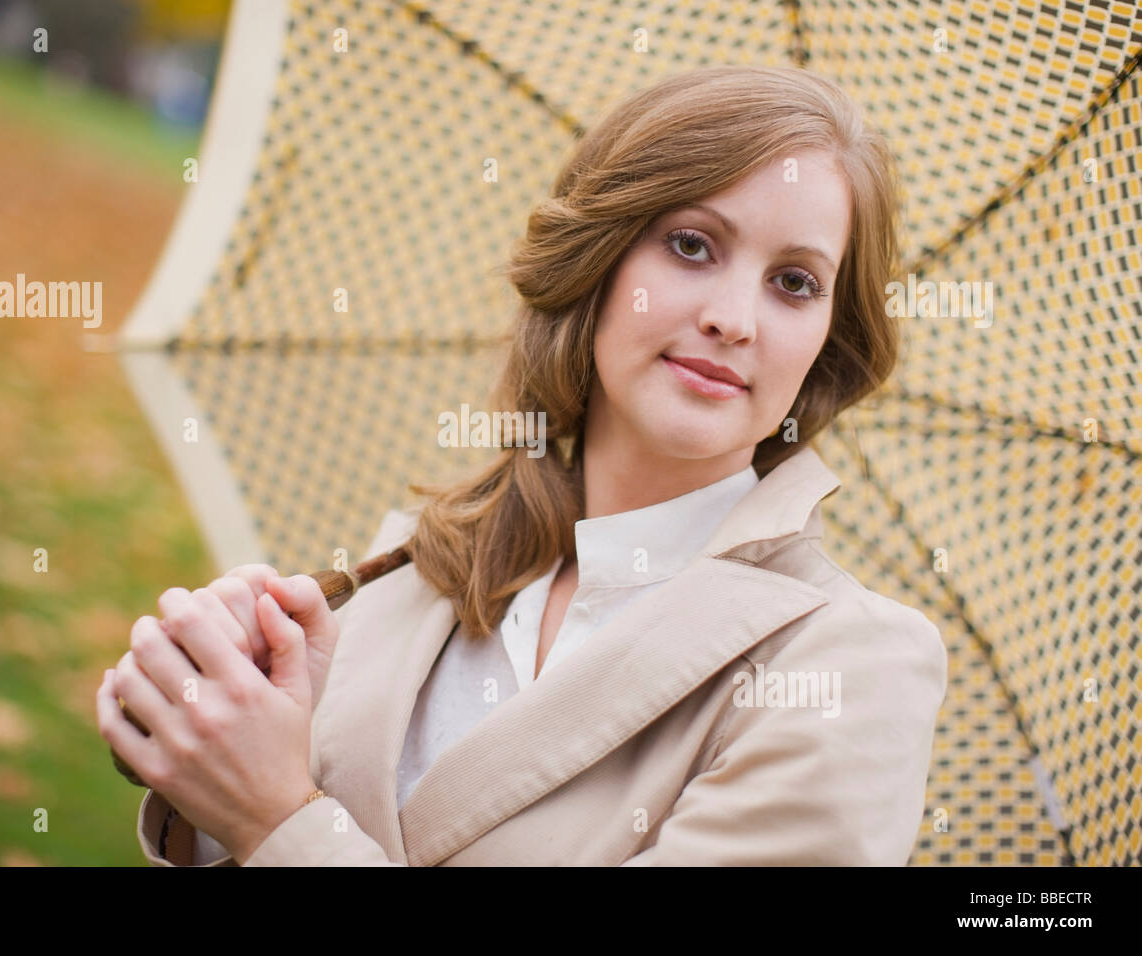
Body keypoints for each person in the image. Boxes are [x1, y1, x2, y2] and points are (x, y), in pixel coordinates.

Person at [96, 64, 949, 866]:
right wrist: (216, 740)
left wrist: (275, 819)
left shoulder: (848, 668)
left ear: (827, 341)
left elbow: (293, 828)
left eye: (795, 282)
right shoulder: (416, 572)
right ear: (600, 260)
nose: (733, 318)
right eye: (692, 245)